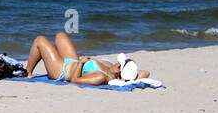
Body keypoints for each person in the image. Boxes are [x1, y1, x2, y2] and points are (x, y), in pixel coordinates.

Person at [20, 32, 149, 84]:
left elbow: (75, 80)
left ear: (118, 71)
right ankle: (51, 56)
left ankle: (28, 73)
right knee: (61, 35)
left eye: (119, 64)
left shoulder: (100, 77)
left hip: (63, 71)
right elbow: (145, 73)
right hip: (73, 61)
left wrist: (81, 64)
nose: (116, 62)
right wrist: (130, 77)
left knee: (40, 40)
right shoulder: (113, 69)